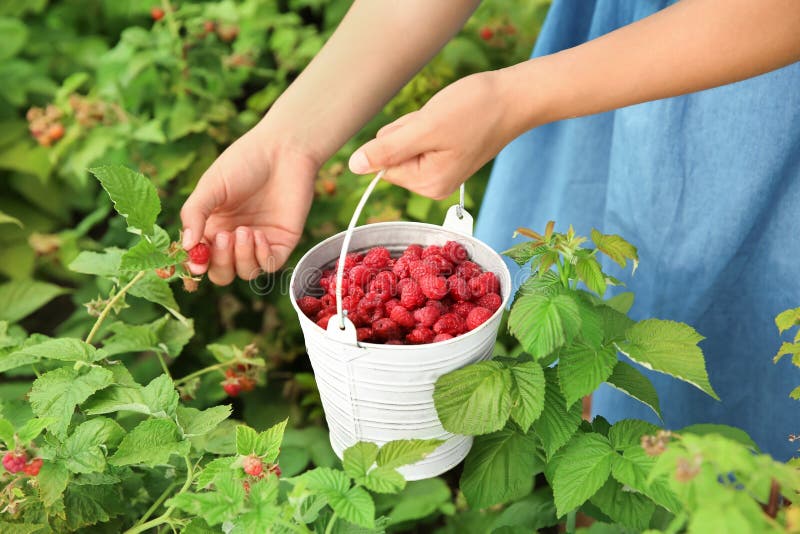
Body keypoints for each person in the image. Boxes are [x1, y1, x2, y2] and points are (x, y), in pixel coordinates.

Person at [180, 0, 800, 459]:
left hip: (756, 96)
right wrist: (290, 140)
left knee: (733, 424)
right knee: (585, 396)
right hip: (596, 77)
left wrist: (511, 101)